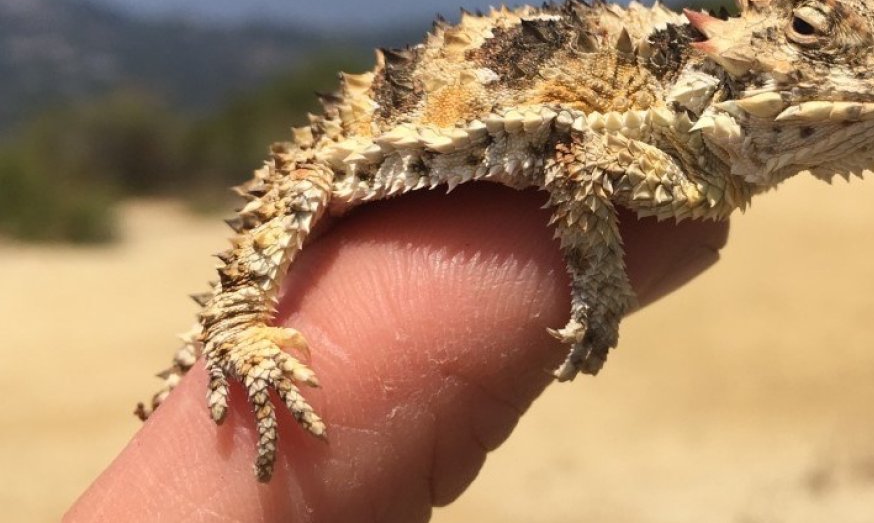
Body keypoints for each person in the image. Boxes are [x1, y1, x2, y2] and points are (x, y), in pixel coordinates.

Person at [67, 184, 727, 521]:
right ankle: (236, 320)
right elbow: (576, 161)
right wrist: (603, 286)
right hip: (340, 155)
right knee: (308, 190)